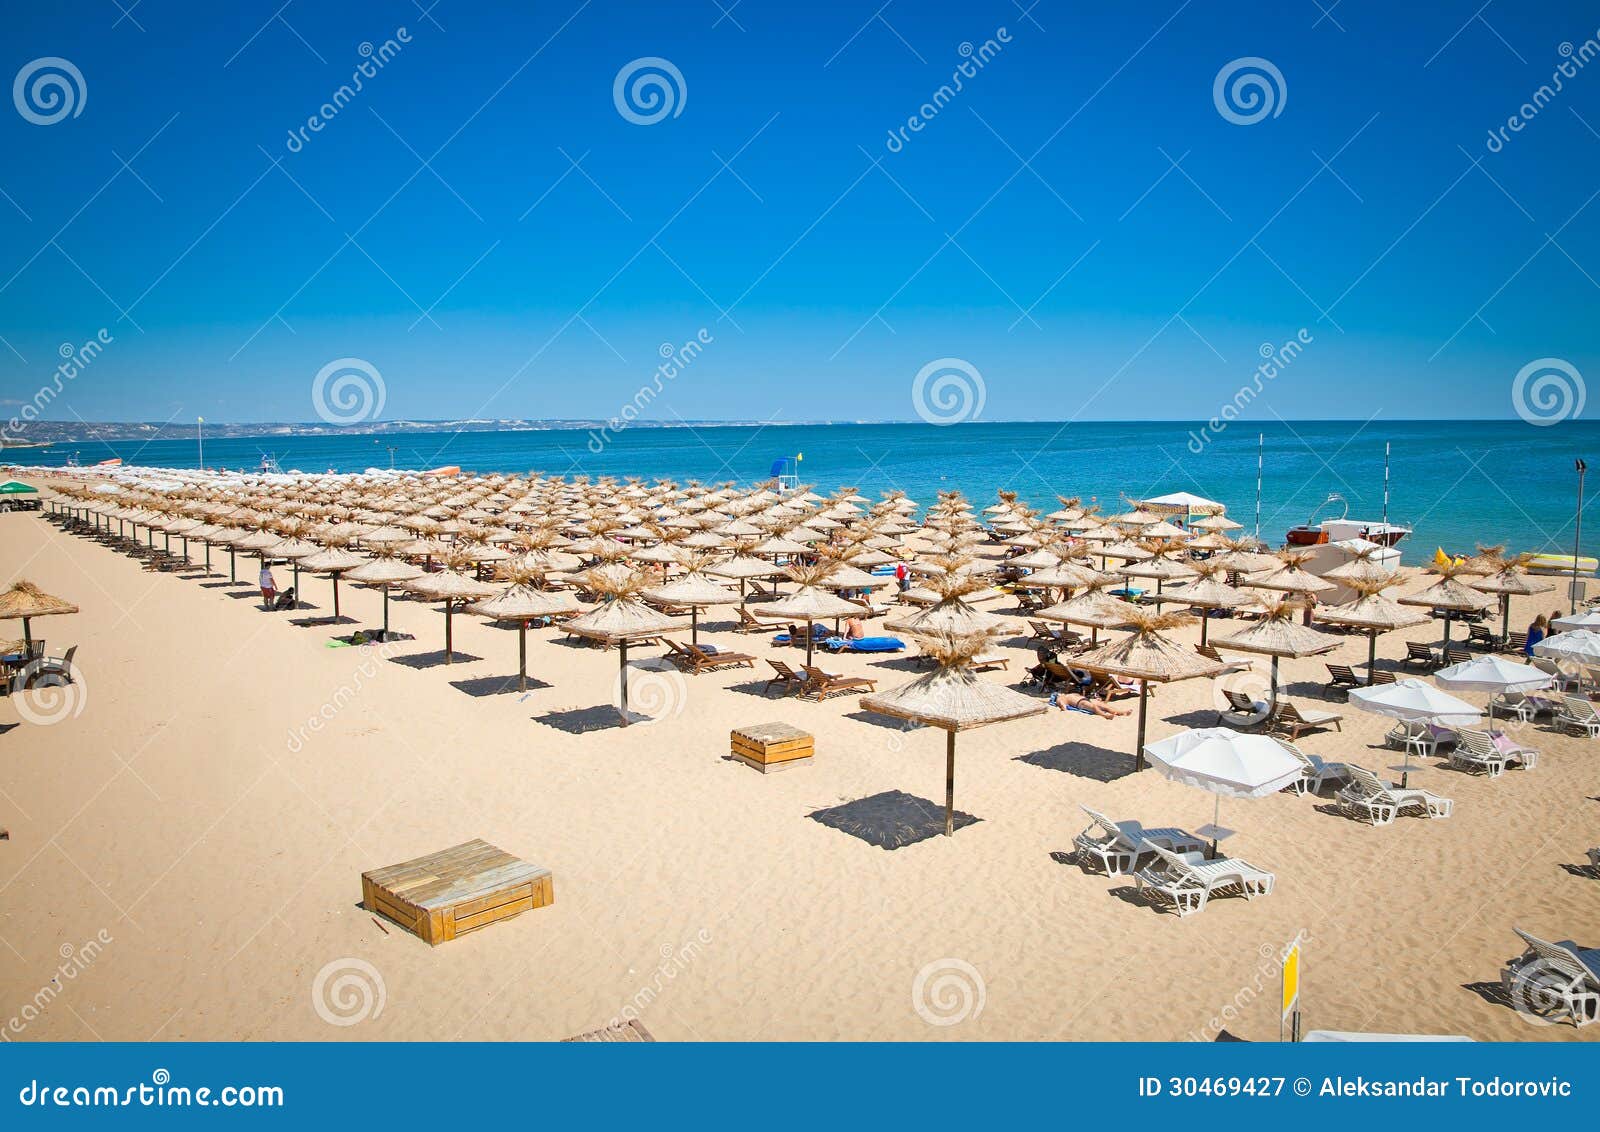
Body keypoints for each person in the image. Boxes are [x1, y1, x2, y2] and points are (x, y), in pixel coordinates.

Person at [1048, 690, 1132, 720]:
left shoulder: (1067, 695)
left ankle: (1121, 712)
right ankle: (1105, 716)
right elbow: (1064, 707)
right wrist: (1064, 709)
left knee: (1105, 706)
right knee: (1094, 707)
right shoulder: (1060, 699)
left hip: (1086, 699)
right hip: (1080, 703)